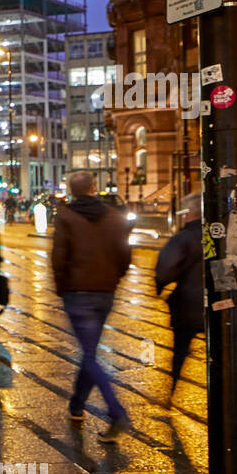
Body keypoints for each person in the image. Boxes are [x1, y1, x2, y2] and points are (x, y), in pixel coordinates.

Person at [52, 170, 133, 441]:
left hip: (78, 293)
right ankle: (76, 405)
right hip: (105, 293)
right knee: (90, 352)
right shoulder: (113, 216)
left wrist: (62, 289)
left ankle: (117, 413)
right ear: (93, 187)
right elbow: (124, 254)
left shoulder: (65, 216)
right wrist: (114, 279)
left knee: (89, 355)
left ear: (72, 191)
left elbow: (59, 257)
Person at [155, 192, 203, 401]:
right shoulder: (221, 235)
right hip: (219, 305)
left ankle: (172, 390)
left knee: (180, 349)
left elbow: (165, 269)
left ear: (190, 213)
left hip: (188, 304)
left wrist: (160, 285)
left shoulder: (183, 238)